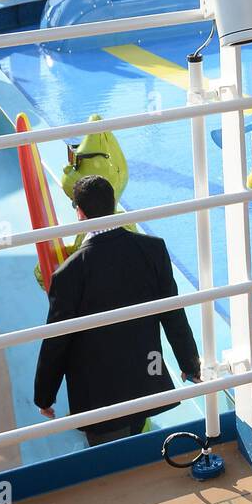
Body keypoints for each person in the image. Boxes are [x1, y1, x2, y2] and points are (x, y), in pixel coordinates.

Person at [33, 175, 202, 447]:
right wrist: (189, 364)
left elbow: (57, 342)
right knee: (138, 452)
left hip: (99, 397)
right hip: (144, 383)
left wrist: (44, 396)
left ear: (80, 212)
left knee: (112, 466)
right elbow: (172, 313)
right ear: (113, 204)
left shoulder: (68, 274)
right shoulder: (152, 250)